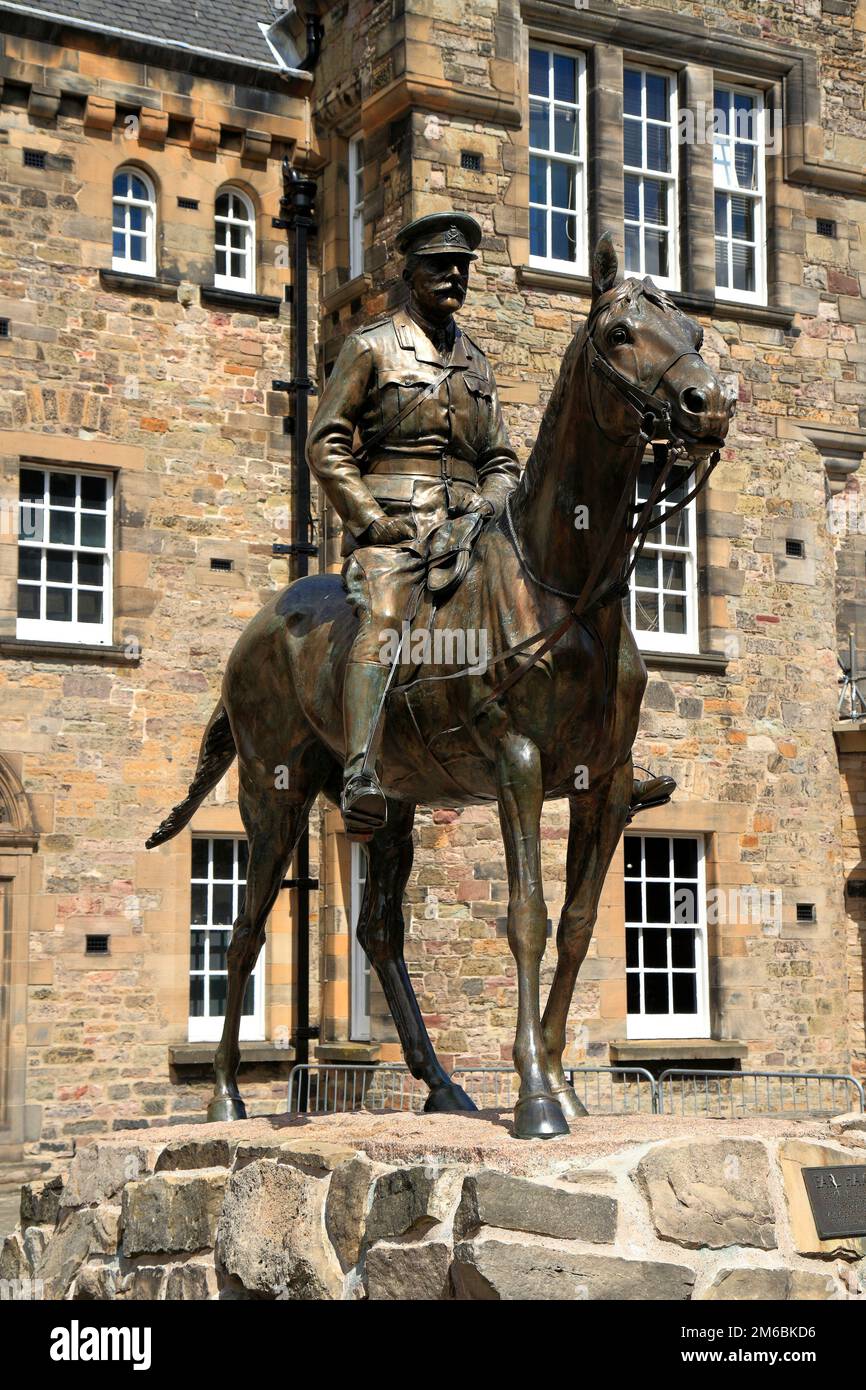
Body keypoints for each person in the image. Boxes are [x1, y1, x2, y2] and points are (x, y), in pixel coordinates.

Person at [306, 211, 520, 838]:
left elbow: (502, 461)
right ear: (410, 271)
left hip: (470, 529)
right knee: (386, 619)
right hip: (398, 528)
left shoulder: (477, 363)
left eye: (462, 266)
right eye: (439, 265)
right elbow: (327, 443)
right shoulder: (371, 346)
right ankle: (361, 768)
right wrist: (370, 524)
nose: (454, 275)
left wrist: (483, 507)